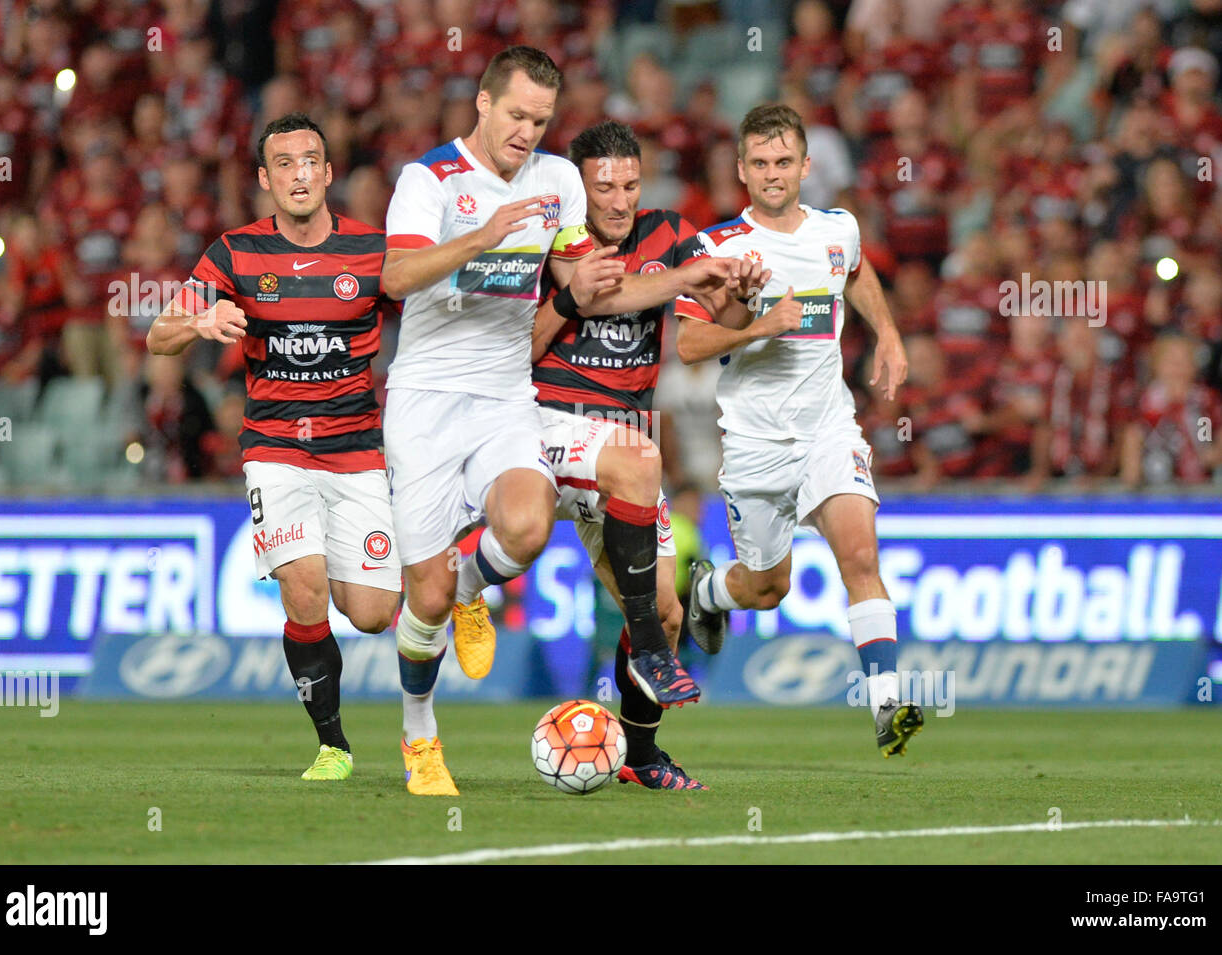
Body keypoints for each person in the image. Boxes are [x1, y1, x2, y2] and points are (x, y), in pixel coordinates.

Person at [381, 47, 738, 795]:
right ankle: (419, 731)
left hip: (508, 398)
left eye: (540, 120)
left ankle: (482, 586)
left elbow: (587, 284)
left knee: (527, 524)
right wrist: (484, 236)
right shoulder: (429, 180)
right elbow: (395, 276)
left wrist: (672, 277)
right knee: (424, 598)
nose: (526, 132)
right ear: (482, 103)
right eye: (516, 115)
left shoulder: (554, 182)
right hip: (426, 402)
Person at [147, 112, 401, 782]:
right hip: (275, 446)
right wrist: (200, 320)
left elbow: (431, 313)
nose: (299, 174)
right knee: (304, 587)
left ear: (328, 171)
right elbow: (157, 336)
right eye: (283, 163)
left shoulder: (373, 251)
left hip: (355, 448)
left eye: (310, 160)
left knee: (372, 613)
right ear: (264, 178)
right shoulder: (234, 252)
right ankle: (333, 744)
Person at [678, 104, 925, 758]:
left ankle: (887, 707)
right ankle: (708, 589)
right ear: (740, 170)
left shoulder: (836, 231)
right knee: (766, 587)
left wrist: (889, 334)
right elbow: (688, 343)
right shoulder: (717, 248)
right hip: (755, 446)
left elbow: (857, 270)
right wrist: (760, 324)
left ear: (806, 165)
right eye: (759, 163)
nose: (772, 174)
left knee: (861, 557)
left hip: (827, 430)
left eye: (783, 161)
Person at [524, 120, 752, 790]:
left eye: (630, 183)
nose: (620, 199)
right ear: (577, 187)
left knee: (667, 609)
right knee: (516, 538)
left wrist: (739, 290)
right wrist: (570, 298)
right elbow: (521, 350)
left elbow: (720, 321)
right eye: (604, 186)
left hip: (624, 451)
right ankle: (468, 586)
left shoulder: (667, 233)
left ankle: (641, 756)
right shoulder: (548, 243)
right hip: (548, 425)